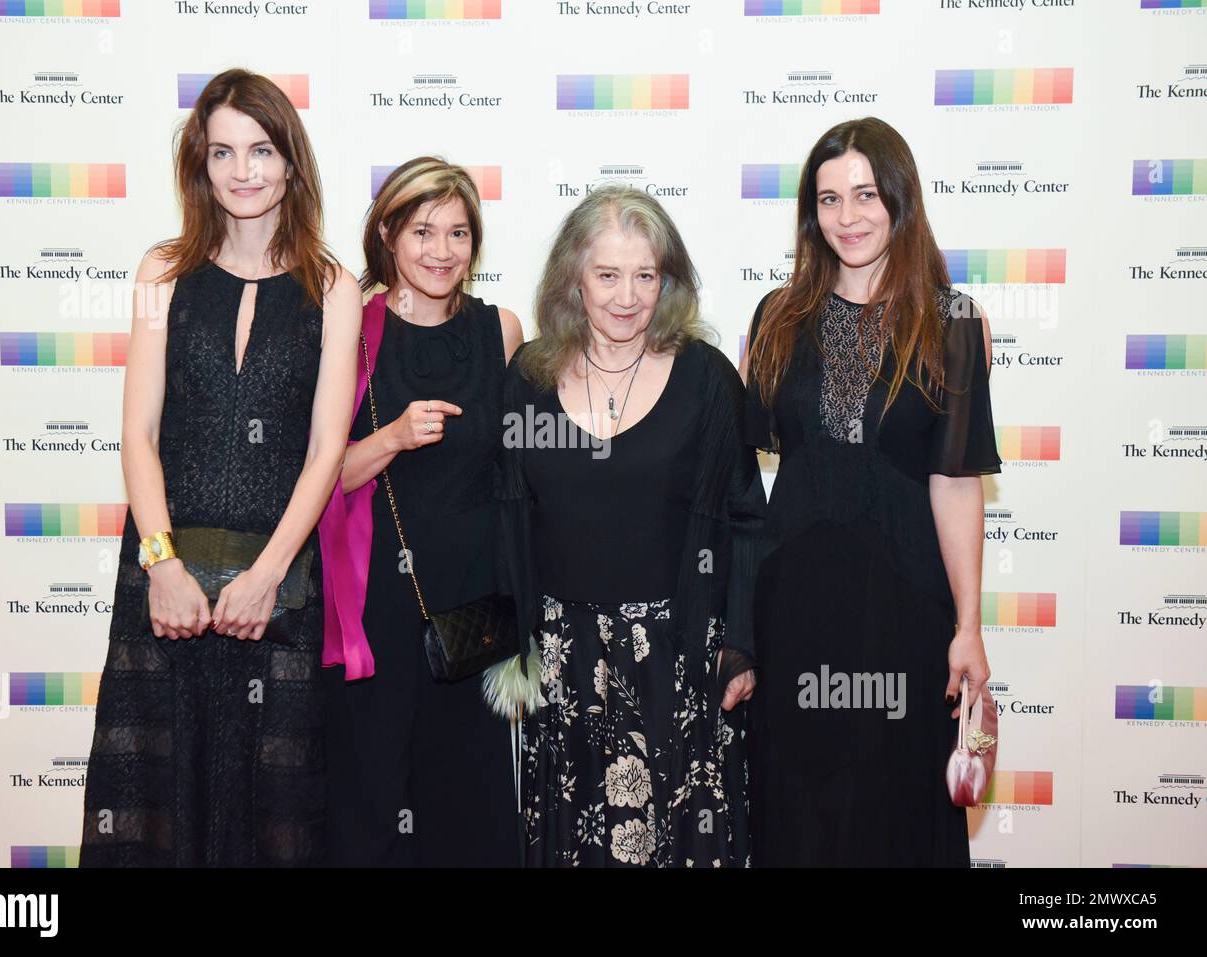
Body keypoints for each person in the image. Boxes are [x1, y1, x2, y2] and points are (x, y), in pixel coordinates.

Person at [79, 69, 361, 866]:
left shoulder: (333, 288)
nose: (244, 171)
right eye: (223, 152)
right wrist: (161, 564)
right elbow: (137, 433)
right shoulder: (159, 275)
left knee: (269, 821)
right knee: (156, 816)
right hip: (164, 597)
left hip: (275, 596)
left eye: (262, 150)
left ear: (290, 161)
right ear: (200, 166)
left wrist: (269, 575)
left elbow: (323, 451)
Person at [742, 117, 1000, 867]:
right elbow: (748, 474)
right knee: (798, 805)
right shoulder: (775, 318)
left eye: (863, 195)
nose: (846, 217)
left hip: (904, 609)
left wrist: (970, 624)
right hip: (792, 608)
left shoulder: (952, 323)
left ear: (899, 197)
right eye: (827, 200)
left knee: (897, 803)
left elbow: (955, 481)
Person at [497, 184, 768, 867]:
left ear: (666, 281)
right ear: (573, 280)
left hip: (680, 668)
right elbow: (508, 515)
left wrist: (739, 646)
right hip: (566, 670)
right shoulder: (529, 379)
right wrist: (518, 649)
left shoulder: (706, 380)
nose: (627, 296)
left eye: (645, 275)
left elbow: (743, 517)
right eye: (607, 274)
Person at [320, 156, 524, 867]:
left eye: (459, 233)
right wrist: (393, 437)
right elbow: (321, 478)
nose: (442, 251)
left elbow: (517, 472)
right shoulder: (353, 330)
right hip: (377, 600)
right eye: (422, 231)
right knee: (368, 796)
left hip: (473, 602)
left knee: (471, 802)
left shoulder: (500, 330)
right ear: (387, 234)